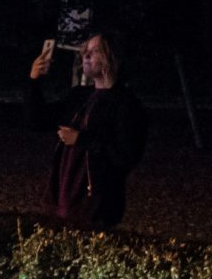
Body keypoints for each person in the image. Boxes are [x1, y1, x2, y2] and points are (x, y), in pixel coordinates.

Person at [26, 32, 148, 231]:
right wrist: (34, 81)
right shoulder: (79, 96)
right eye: (85, 51)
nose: (86, 56)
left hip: (96, 205)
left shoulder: (126, 105)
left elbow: (126, 155)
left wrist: (82, 139)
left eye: (94, 51)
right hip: (62, 198)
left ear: (111, 57)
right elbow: (37, 120)